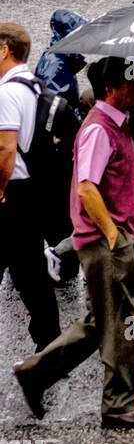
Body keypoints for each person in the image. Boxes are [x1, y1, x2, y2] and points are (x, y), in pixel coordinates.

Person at [13, 57, 134, 429]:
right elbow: (86, 187)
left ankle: (36, 373)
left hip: (109, 239)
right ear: (113, 89)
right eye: (130, 83)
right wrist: (114, 235)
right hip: (106, 242)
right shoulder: (99, 128)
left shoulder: (117, 125)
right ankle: (118, 404)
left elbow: (113, 175)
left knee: (101, 322)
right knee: (122, 322)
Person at [0, 24, 61, 353]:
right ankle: (50, 342)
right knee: (30, 271)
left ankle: (50, 343)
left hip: (14, 190)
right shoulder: (36, 86)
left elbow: (6, 148)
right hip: (36, 188)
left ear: (4, 50)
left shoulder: (6, 92)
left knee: (28, 271)